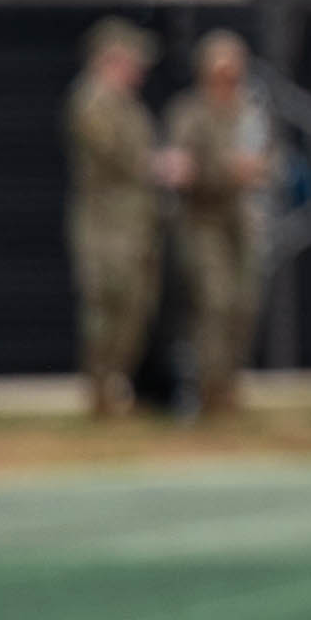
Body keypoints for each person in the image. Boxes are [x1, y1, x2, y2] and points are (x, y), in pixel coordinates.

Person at [165, 32, 273, 419]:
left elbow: (270, 158)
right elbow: (185, 170)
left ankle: (230, 386)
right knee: (215, 303)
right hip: (204, 221)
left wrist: (260, 169)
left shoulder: (250, 112)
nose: (229, 77)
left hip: (241, 220)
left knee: (245, 304)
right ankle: (209, 390)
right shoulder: (189, 113)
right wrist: (228, 172)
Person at [66, 21, 164, 421]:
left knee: (135, 305)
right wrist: (156, 165)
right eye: (132, 61)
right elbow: (114, 153)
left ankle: (116, 384)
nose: (139, 70)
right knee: (106, 305)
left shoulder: (129, 105)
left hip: (137, 223)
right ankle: (100, 390)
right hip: (105, 226)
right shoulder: (91, 100)